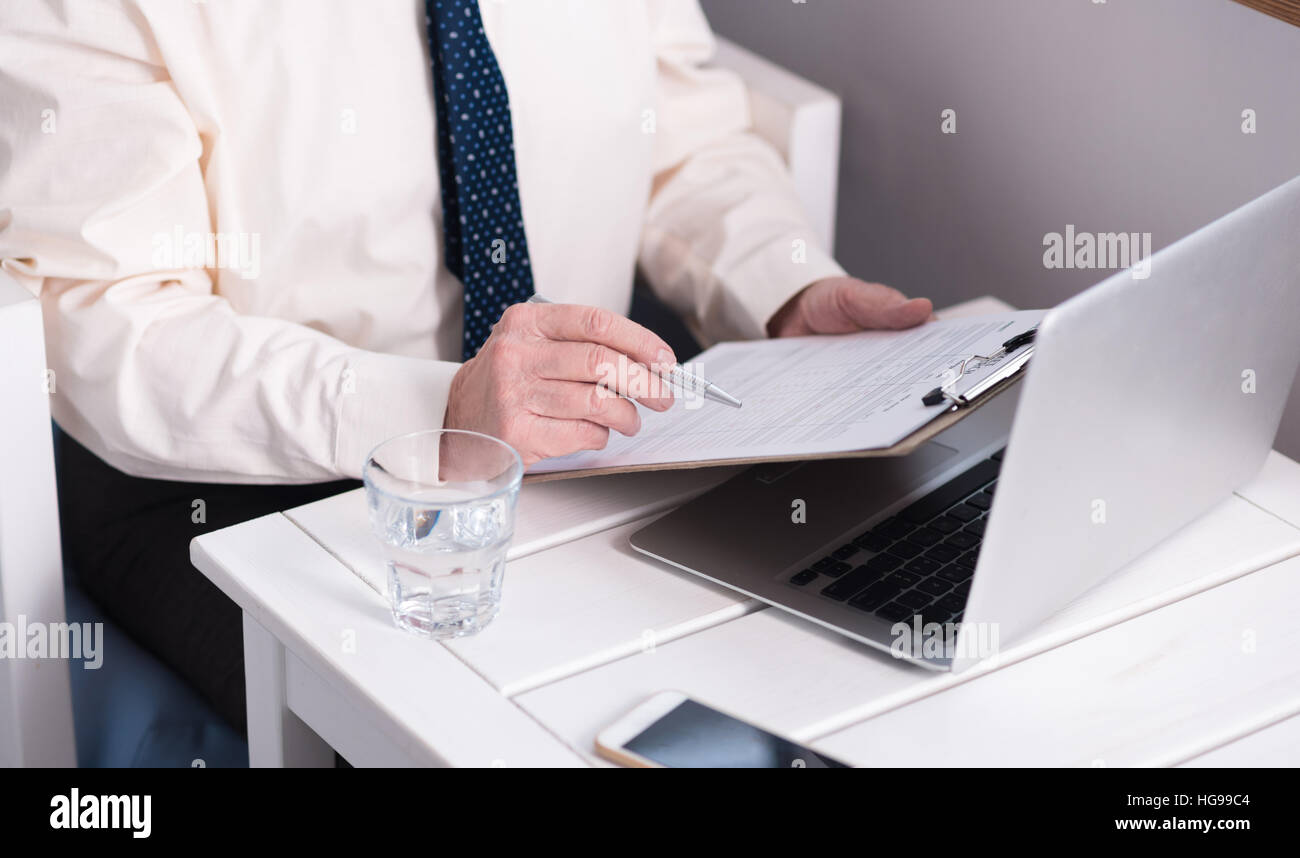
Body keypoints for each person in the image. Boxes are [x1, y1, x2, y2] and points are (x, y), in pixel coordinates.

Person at [0, 0, 931, 731]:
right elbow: (109, 322)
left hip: (572, 432)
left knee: (811, 653)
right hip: (228, 477)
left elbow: (681, 138)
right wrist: (440, 413)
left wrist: (786, 286)